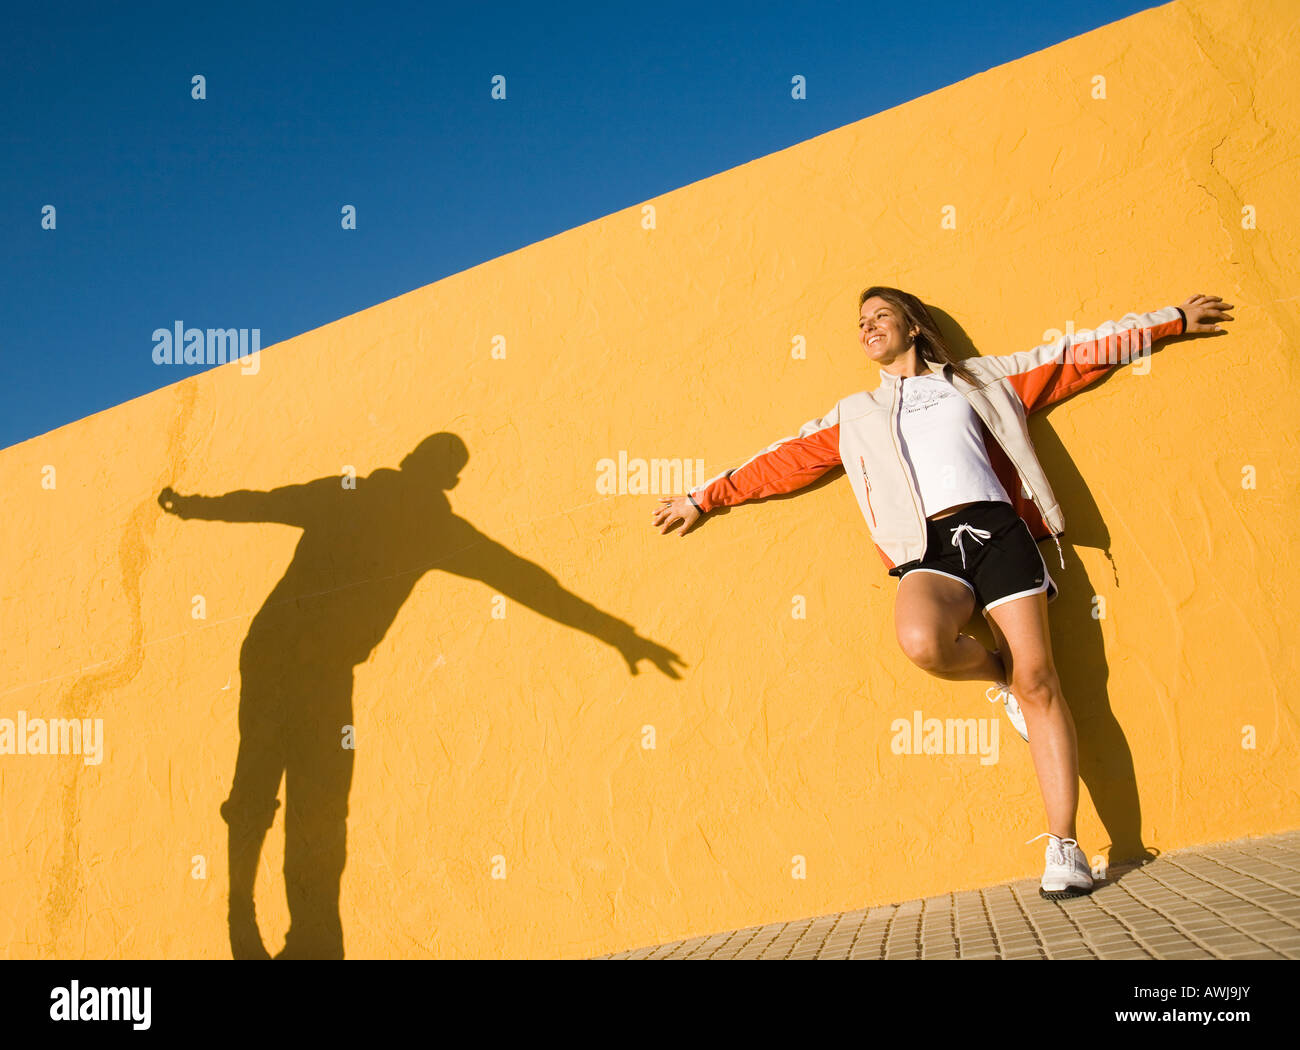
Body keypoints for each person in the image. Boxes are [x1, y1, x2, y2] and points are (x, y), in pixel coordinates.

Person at [651, 287, 1232, 899]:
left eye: (880, 316)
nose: (867, 327)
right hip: (926, 548)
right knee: (923, 641)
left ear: (913, 326)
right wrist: (701, 497)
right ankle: (1001, 678)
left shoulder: (980, 380)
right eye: (860, 322)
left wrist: (1168, 323)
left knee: (1044, 683)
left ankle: (1065, 845)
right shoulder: (857, 414)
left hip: (1000, 533)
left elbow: (1073, 357)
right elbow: (783, 459)